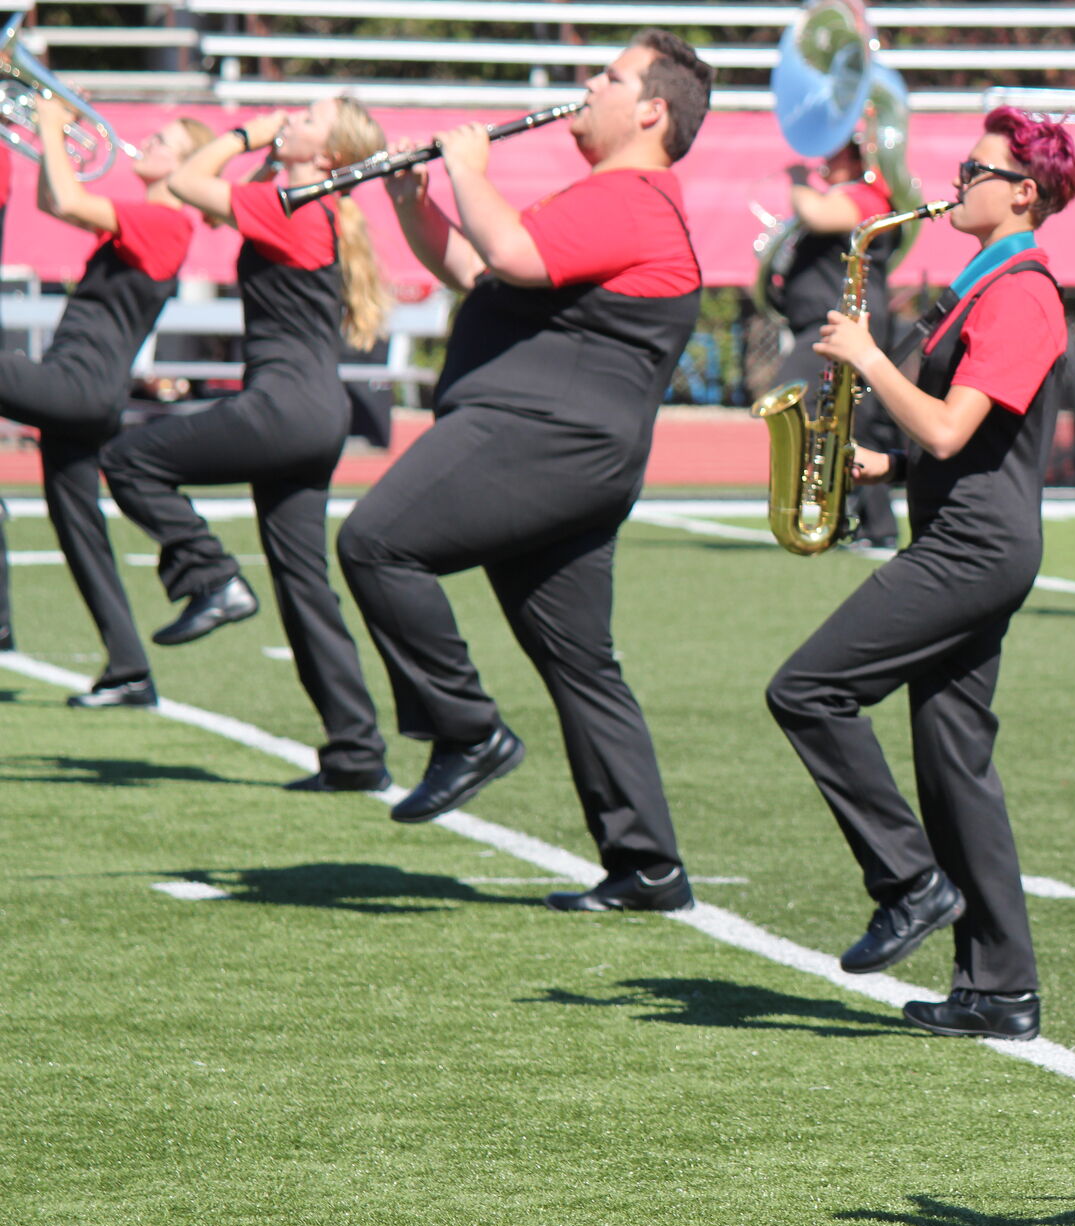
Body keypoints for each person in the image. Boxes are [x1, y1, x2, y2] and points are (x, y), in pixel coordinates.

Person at [339, 33, 713, 913]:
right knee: (580, 661)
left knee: (376, 542)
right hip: (559, 448)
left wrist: (468, 166)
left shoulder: (632, 197)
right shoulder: (601, 201)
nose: (589, 85)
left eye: (610, 78)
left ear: (651, 111)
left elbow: (506, 250)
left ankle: (467, 730)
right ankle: (647, 863)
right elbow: (479, 269)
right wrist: (413, 200)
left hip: (546, 440)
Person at [766, 107, 1075, 1042]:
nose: (957, 180)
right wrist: (883, 468)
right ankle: (1002, 987)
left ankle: (907, 881)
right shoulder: (986, 285)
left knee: (808, 690)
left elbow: (947, 428)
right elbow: (963, 446)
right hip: (965, 532)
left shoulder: (1023, 293)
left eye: (977, 168)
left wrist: (866, 359)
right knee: (953, 764)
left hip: (974, 549)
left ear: (1025, 191)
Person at [100, 100, 390, 792]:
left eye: (310, 120)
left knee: (127, 459)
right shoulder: (297, 201)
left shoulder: (291, 204)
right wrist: (264, 145)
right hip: (314, 411)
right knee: (302, 585)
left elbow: (190, 184)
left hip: (285, 406)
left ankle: (209, 575)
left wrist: (240, 134)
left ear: (328, 158)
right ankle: (356, 752)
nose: (291, 119)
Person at [0, 101, 210, 706]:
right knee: (78, 531)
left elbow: (66, 201)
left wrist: (47, 123)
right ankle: (129, 669)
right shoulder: (143, 219)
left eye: (165, 139)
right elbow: (51, 199)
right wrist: (54, 139)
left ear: (188, 164)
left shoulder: (167, 223)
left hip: (81, 388)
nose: (149, 141)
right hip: (78, 386)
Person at [769, 140, 901, 547]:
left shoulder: (866, 196)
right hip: (826, 326)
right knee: (856, 422)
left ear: (860, 159)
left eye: (838, 153)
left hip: (839, 327)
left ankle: (849, 518)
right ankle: (865, 523)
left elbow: (817, 214)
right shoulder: (851, 194)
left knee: (808, 399)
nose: (826, 160)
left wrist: (796, 179)